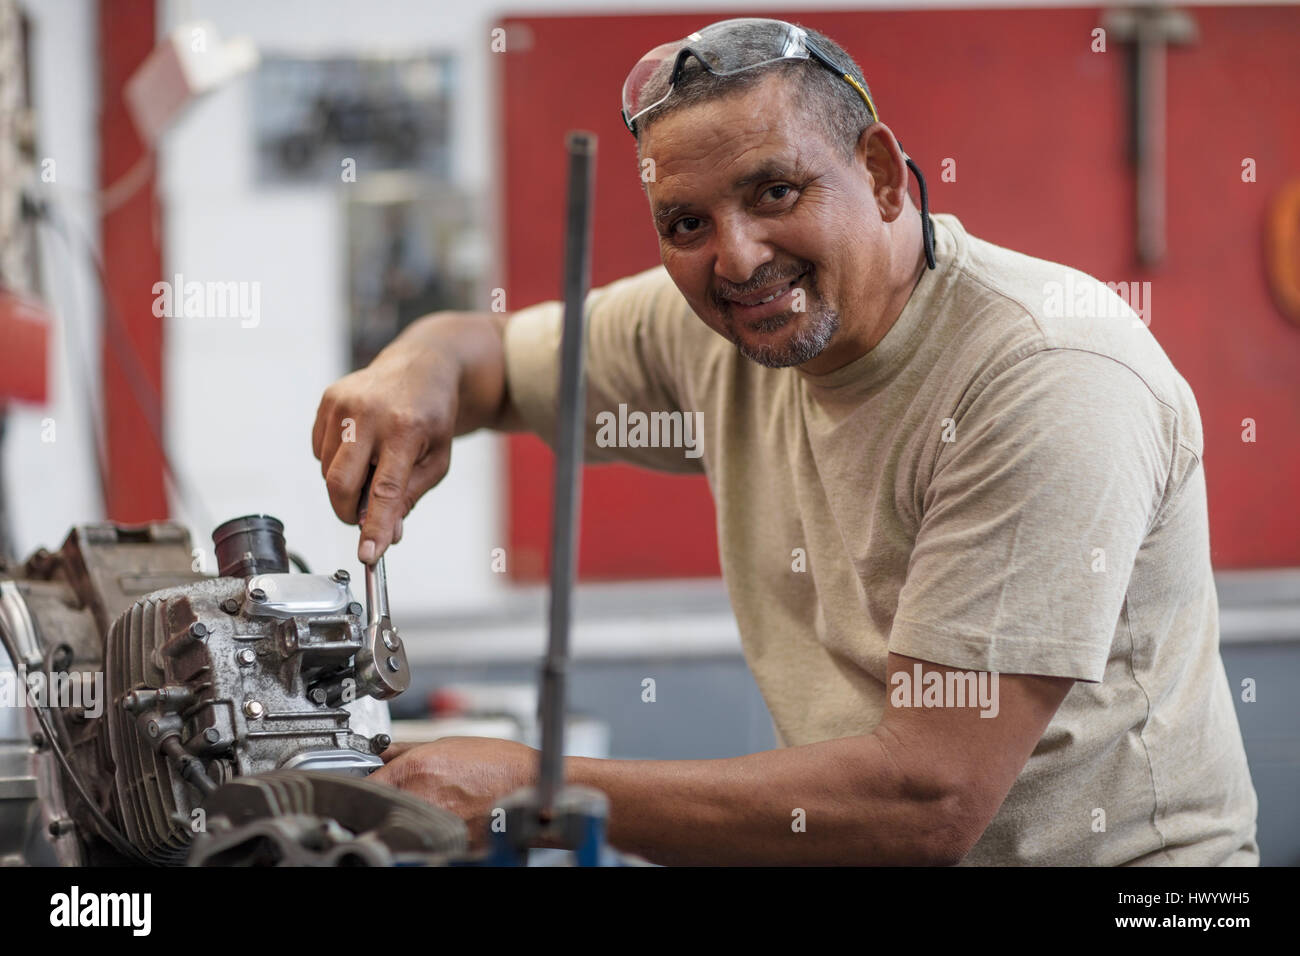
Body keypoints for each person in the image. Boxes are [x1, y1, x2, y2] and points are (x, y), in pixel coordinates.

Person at [311, 18, 1258, 865]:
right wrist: (412, 371)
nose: (737, 256)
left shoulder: (1046, 372)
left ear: (882, 174)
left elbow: (924, 801)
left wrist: (537, 789)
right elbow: (486, 359)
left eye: (776, 190)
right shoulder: (713, 321)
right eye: (686, 223)